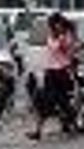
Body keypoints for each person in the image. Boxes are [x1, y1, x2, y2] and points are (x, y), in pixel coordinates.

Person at [28, 12, 80, 141]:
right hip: (50, 72)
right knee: (45, 102)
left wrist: (63, 41)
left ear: (61, 24)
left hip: (62, 72)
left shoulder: (67, 36)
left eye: (57, 24)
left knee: (63, 102)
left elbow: (68, 50)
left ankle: (72, 125)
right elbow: (51, 49)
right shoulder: (51, 36)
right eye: (53, 25)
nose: (55, 27)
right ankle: (38, 131)